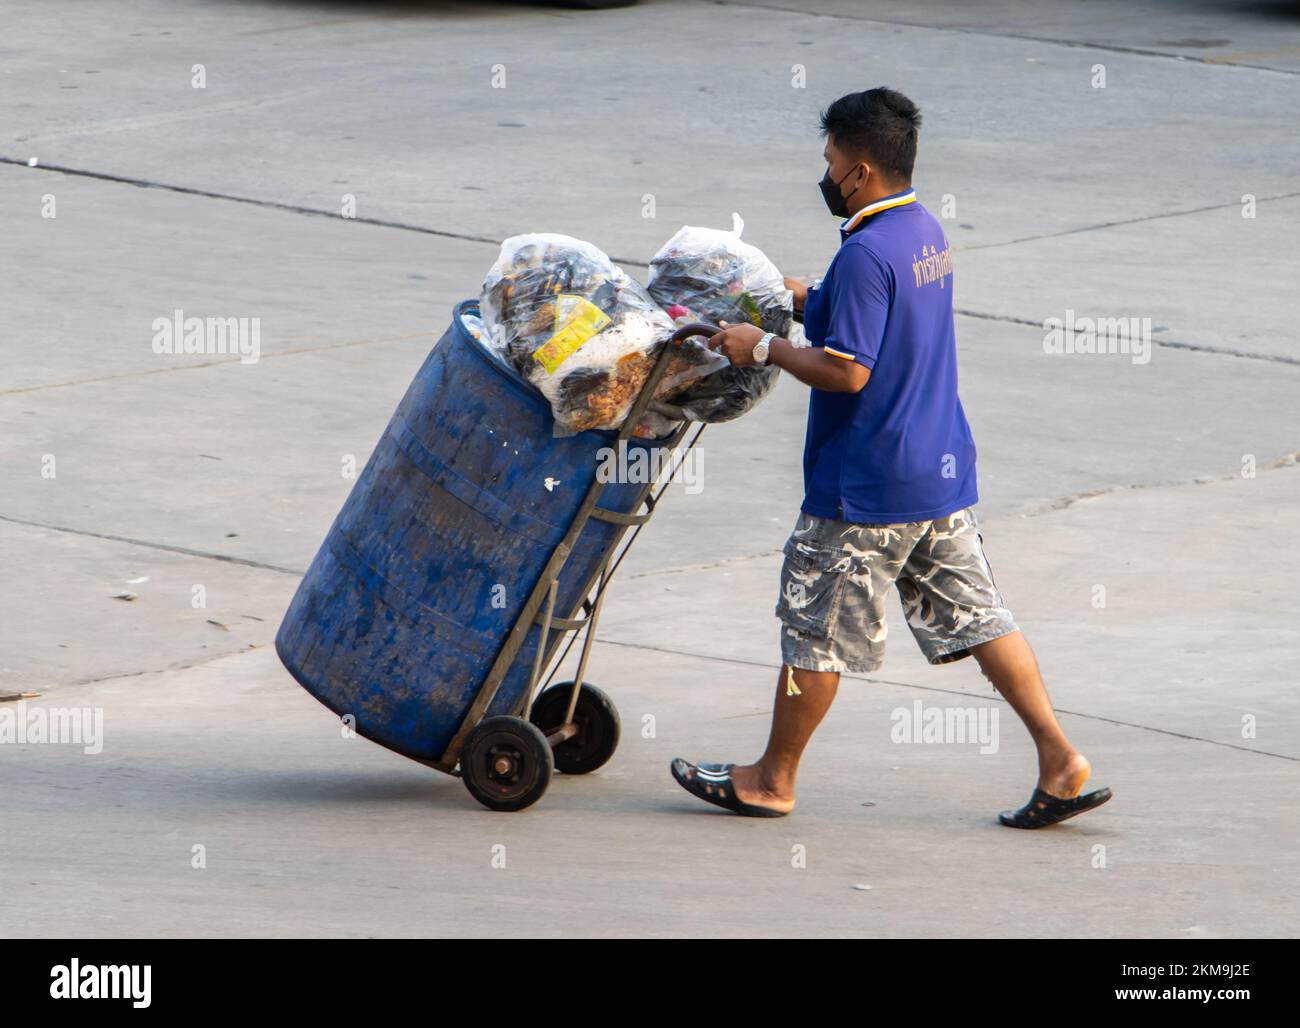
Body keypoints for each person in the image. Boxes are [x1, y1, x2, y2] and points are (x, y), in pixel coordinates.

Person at [671, 87, 1111, 828]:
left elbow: (849, 369)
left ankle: (771, 780)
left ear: (861, 168)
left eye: (831, 160)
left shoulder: (868, 250)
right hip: (937, 470)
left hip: (867, 485)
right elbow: (878, 312)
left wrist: (765, 346)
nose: (826, 172)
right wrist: (792, 295)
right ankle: (1062, 761)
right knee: (980, 619)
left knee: (813, 630)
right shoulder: (920, 232)